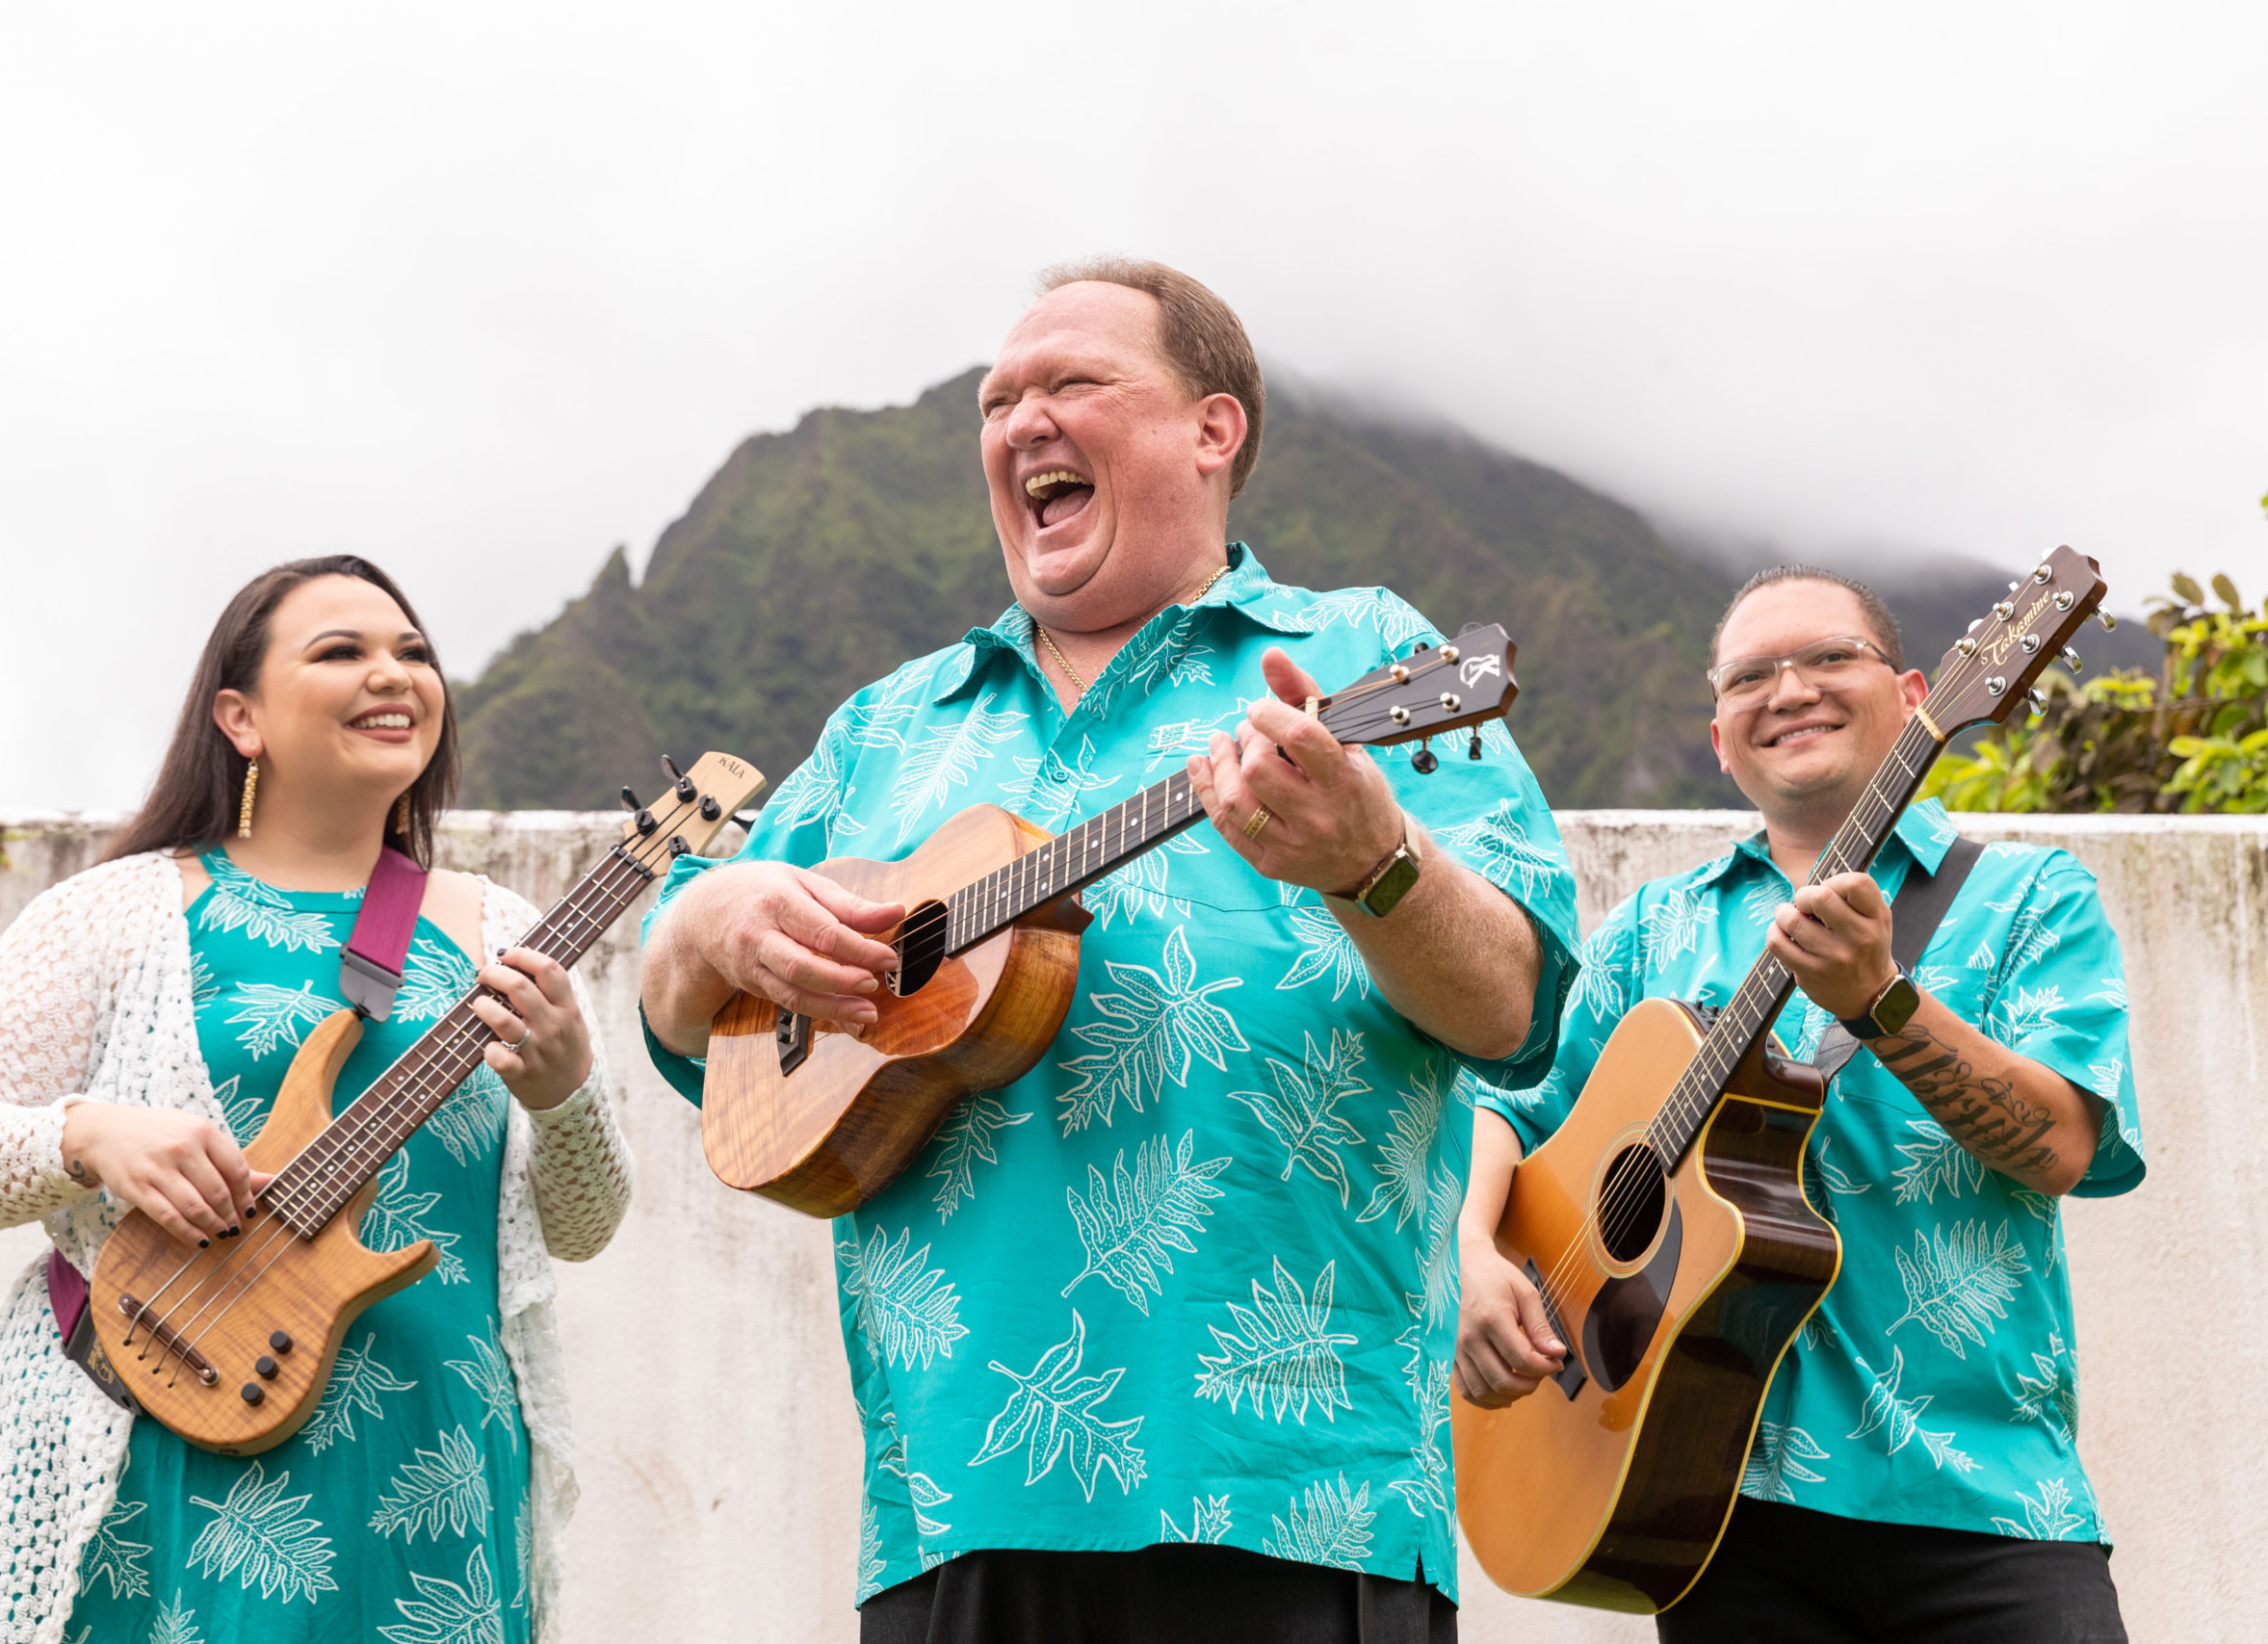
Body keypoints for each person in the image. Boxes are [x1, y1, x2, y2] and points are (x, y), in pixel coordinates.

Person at [639, 259, 1581, 1641]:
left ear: (1215, 428)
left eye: (1073, 384)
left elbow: (1517, 1008)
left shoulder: (1361, 653)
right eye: (997, 400)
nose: (1023, 421)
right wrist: (705, 919)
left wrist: (1371, 864)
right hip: (953, 1495)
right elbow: (692, 1033)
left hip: (1295, 1484)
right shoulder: (888, 726)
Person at [0, 557, 633, 1644]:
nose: (395, 676)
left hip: (442, 1478)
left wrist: (566, 1093)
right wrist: (89, 1137)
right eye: (343, 652)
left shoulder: (503, 933)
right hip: (162, 1467)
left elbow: (579, 1224)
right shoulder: (114, 916)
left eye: (414, 654)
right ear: (240, 716)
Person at [1456, 566, 2144, 1642]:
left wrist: (1881, 1002)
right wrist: (1472, 1257)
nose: (1789, 689)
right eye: (1750, 676)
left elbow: (2060, 1145)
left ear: (1918, 694)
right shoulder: (1653, 929)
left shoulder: (2029, 898)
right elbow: (1523, 1111)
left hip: (1981, 1497)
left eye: (1829, 658)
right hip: (1713, 1509)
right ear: (1720, 739)